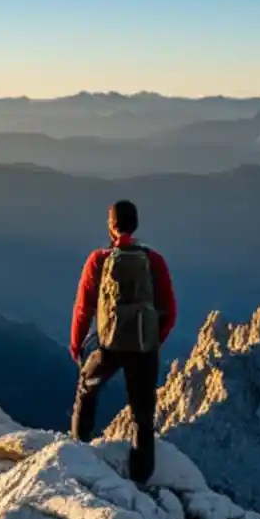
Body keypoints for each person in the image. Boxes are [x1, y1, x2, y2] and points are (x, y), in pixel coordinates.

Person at [69, 199, 177, 483]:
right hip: (144, 348)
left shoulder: (99, 260)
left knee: (86, 389)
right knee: (142, 415)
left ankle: (78, 449)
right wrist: (153, 341)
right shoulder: (154, 261)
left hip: (108, 347)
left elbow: (84, 308)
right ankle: (141, 478)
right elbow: (170, 311)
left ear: (111, 225)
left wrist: (77, 344)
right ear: (136, 224)